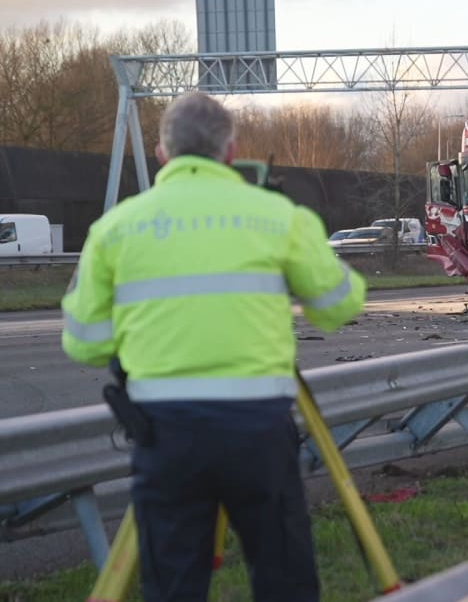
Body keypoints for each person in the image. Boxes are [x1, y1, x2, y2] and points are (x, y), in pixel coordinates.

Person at [61, 92, 366, 602]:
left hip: (166, 437)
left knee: (173, 581)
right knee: (283, 574)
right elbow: (337, 305)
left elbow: (85, 342)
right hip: (259, 431)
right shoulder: (278, 217)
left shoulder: (114, 229)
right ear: (230, 151)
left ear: (162, 153)